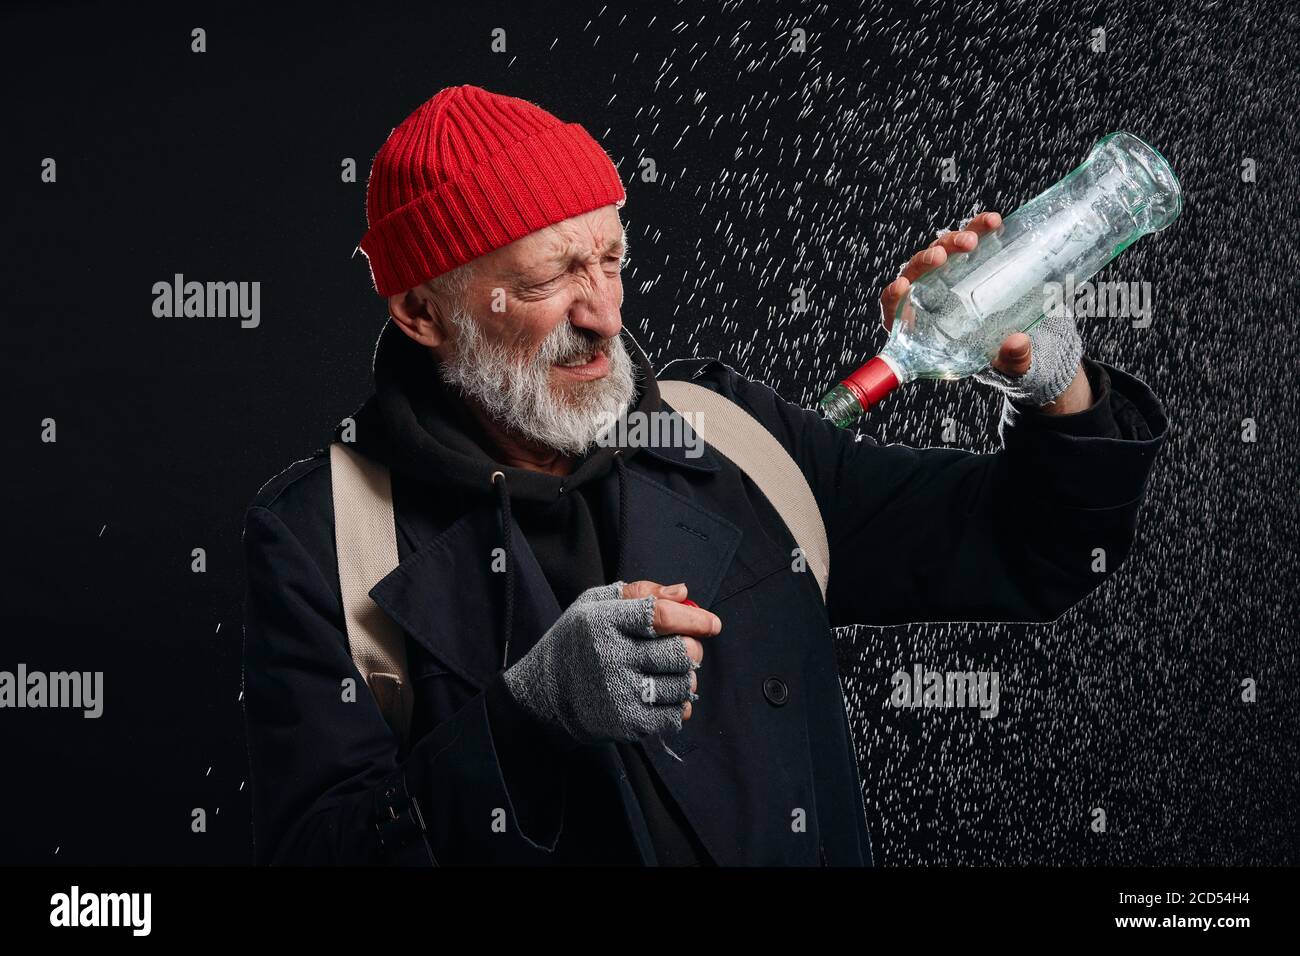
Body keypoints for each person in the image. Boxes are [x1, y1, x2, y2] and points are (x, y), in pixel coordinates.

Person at [240, 85, 1168, 865]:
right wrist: (528, 716)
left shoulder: (734, 435)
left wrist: (1057, 391)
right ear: (421, 314)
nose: (602, 315)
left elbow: (1038, 552)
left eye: (610, 259)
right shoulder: (324, 535)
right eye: (544, 283)